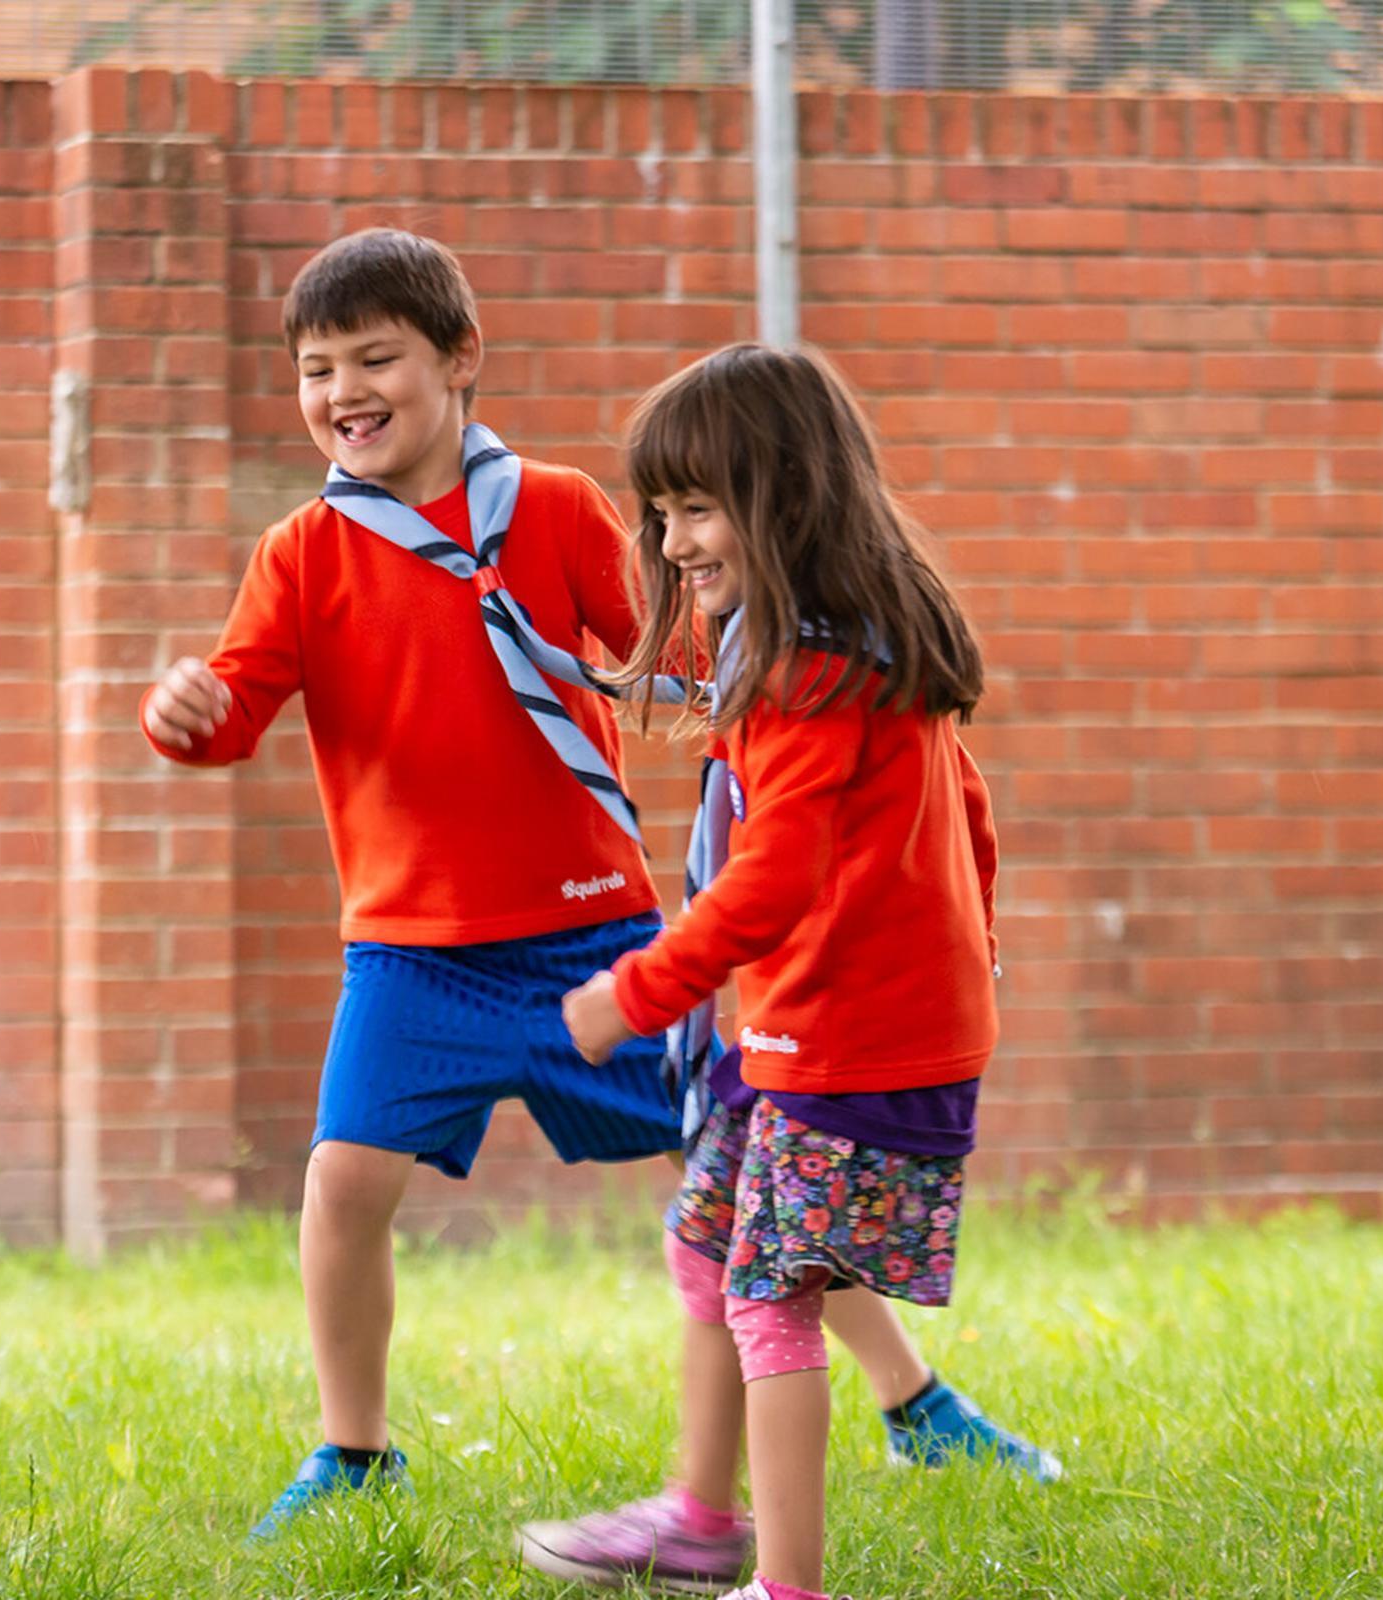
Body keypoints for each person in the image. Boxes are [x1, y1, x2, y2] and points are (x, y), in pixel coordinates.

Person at [139, 234, 1050, 1546]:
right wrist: (190, 713)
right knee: (341, 1185)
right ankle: (355, 1445)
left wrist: (810, 724)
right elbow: (233, 717)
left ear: (460, 360)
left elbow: (695, 669)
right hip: (411, 958)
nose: (344, 388)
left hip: (596, 932)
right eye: (317, 368)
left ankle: (913, 1399)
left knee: (748, 1169)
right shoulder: (303, 553)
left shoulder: (557, 510)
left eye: (375, 357)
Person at [520, 344, 1057, 1600]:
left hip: (850, 1045)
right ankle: (701, 1520)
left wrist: (634, 993)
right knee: (710, 1245)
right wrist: (970, 952)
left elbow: (773, 877)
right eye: (661, 512)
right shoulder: (848, 641)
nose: (671, 540)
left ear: (787, 498)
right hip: (835, 1027)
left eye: (696, 508)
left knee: (771, 1298)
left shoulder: (811, 671)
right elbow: (967, 811)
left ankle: (786, 1584)